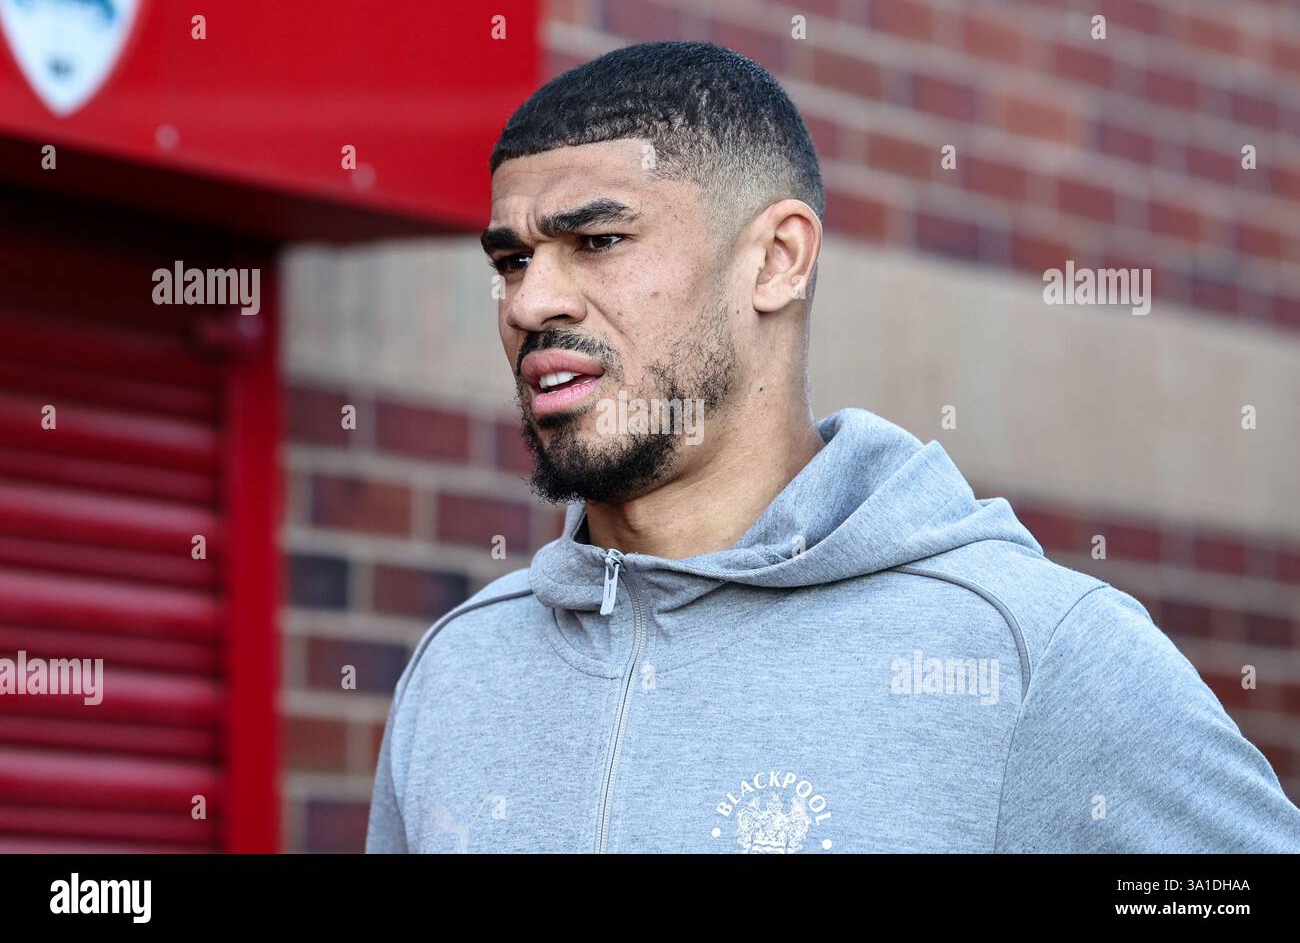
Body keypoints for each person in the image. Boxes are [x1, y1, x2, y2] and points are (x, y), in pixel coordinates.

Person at [366, 41, 1300, 853]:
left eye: (599, 240)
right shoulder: (462, 667)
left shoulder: (1028, 652)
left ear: (777, 260)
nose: (531, 304)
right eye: (511, 260)